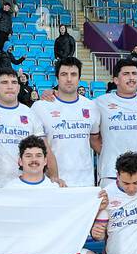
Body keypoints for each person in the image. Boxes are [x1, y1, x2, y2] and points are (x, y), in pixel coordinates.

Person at [36, 58, 100, 187]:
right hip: (52, 182)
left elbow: (95, 141)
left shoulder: (91, 106)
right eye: (64, 74)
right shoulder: (40, 107)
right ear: (57, 78)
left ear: (79, 78)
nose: (69, 79)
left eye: (73, 74)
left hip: (85, 182)